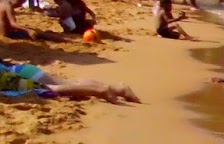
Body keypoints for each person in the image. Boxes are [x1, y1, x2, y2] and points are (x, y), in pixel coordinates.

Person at [2, 57, 141, 103]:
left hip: (8, 79)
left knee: (51, 89)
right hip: (20, 69)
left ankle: (99, 91)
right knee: (66, 82)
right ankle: (118, 88)